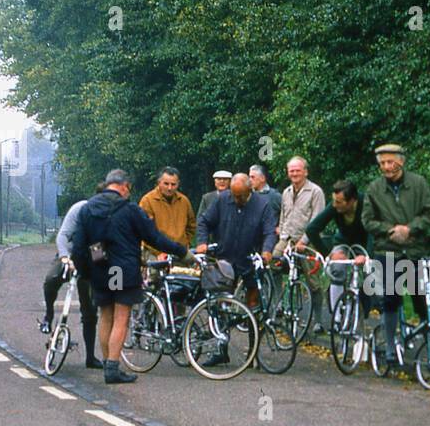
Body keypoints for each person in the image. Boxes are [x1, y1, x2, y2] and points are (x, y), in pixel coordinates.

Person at [70, 169, 192, 384]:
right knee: (121, 317)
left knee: (105, 316)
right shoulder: (129, 209)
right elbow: (154, 237)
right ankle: (112, 368)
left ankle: (108, 361)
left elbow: (79, 246)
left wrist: (86, 271)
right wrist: (181, 251)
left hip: (100, 269)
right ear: (124, 186)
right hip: (121, 270)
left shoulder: (87, 209)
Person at [361, 143, 430, 367]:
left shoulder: (418, 184)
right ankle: (391, 346)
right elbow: (367, 220)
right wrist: (390, 230)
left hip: (414, 249)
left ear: (401, 161)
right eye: (382, 163)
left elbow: (429, 213)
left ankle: (429, 345)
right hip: (388, 250)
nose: (386, 167)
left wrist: (410, 229)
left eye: (390, 162)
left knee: (421, 296)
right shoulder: (374, 189)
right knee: (391, 298)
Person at [194, 172, 277, 366]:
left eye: (240, 196)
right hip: (225, 259)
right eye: (234, 195)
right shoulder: (223, 200)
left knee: (253, 306)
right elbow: (204, 222)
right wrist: (202, 242)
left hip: (249, 260)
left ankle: (253, 353)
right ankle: (221, 350)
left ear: (250, 190)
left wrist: (267, 251)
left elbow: (269, 231)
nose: (236, 200)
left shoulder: (262, 205)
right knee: (221, 305)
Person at [41, 183, 104, 369]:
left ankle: (90, 357)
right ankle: (49, 314)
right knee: (51, 279)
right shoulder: (79, 209)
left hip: (91, 256)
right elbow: (63, 235)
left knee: (90, 309)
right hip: (68, 253)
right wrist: (65, 258)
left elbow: (102, 246)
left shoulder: (109, 217)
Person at [298, 178, 373, 320]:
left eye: (339, 202)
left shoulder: (367, 205)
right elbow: (312, 229)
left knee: (371, 273)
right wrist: (329, 255)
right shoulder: (335, 205)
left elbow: (372, 233)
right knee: (337, 269)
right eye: (334, 200)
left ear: (352, 201)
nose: (335, 205)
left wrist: (367, 255)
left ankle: (367, 308)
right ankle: (337, 316)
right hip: (343, 241)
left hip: (364, 242)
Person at [275, 155, 328, 332]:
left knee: (313, 281)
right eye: (291, 171)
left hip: (309, 241)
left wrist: (304, 240)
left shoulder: (315, 192)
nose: (294, 173)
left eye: (298, 170)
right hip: (287, 239)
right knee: (272, 263)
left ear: (305, 171)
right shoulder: (287, 192)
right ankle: (279, 306)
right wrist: (282, 235)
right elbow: (284, 216)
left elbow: (317, 219)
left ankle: (318, 320)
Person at [138, 167, 196, 264]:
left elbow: (192, 225)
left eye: (173, 184)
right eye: (166, 184)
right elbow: (143, 231)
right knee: (156, 275)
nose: (169, 188)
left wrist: (185, 243)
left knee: (187, 275)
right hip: (155, 252)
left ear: (178, 184)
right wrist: (158, 252)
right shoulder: (147, 201)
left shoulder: (184, 201)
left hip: (179, 251)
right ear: (159, 182)